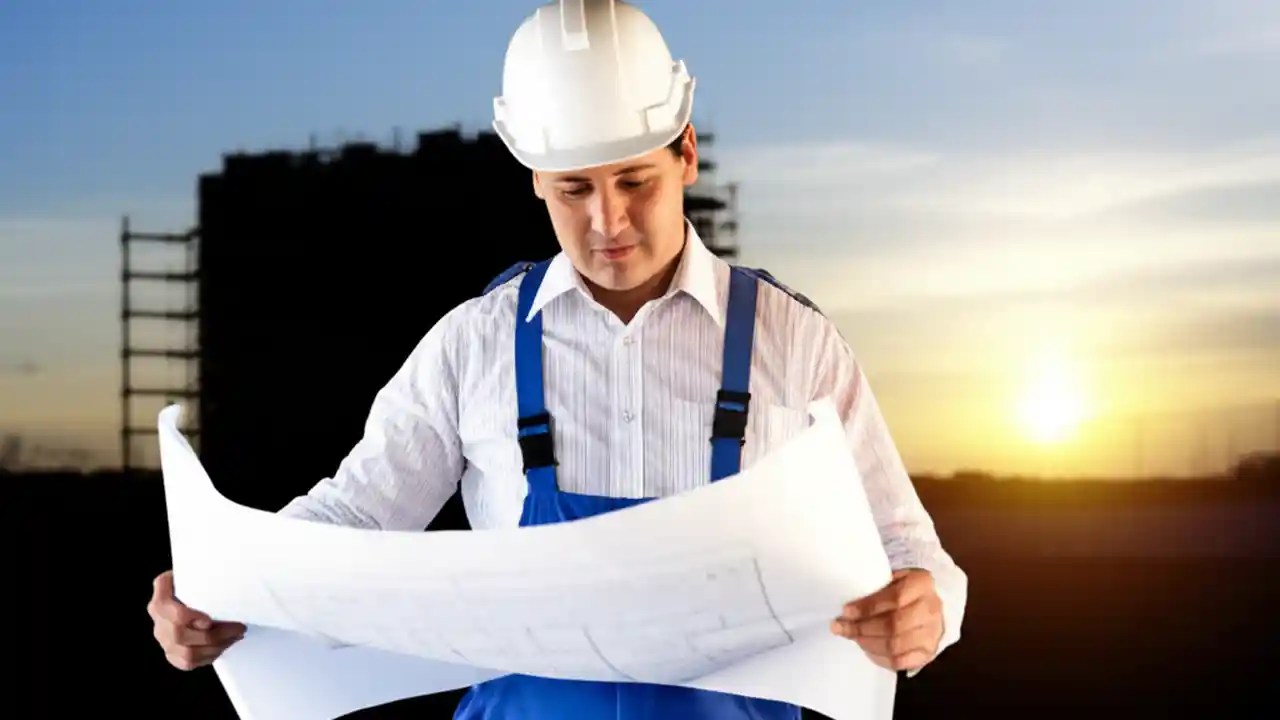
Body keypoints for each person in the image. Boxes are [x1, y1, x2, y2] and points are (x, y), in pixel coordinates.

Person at [147, 1, 968, 717]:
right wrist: (223, 590)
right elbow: (355, 521)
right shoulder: (474, 345)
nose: (607, 220)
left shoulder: (794, 344)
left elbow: (910, 554)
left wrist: (925, 611)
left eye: (634, 180)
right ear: (534, 179)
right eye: (573, 188)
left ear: (685, 152)